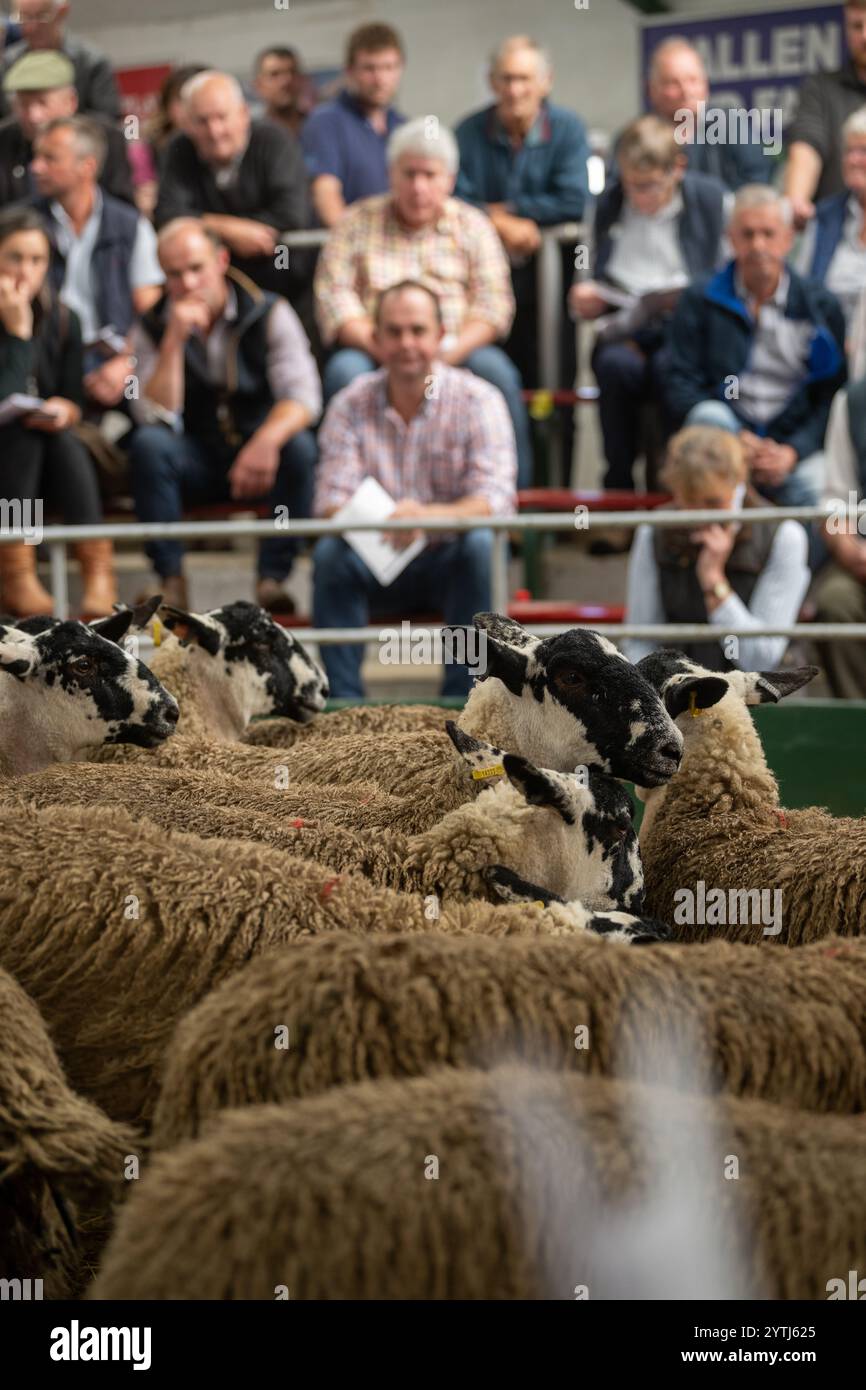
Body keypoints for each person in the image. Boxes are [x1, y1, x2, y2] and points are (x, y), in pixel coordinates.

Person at [312, 281, 516, 698]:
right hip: (377, 559)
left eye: (418, 330)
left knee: (479, 545)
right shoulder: (349, 403)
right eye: (394, 331)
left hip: (449, 562)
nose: (407, 343)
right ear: (376, 338)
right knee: (331, 553)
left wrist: (423, 518)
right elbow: (330, 502)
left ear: (441, 336)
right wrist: (388, 522)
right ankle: (344, 708)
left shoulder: (480, 399)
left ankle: (465, 699)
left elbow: (495, 500)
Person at [315, 118, 532, 488]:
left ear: (449, 179)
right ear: (390, 175)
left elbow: (494, 306)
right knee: (343, 373)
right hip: (374, 348)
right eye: (409, 174)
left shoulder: (474, 225)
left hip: (455, 349)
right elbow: (333, 298)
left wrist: (440, 354)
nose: (418, 187)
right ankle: (347, 504)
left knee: (497, 373)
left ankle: (512, 510)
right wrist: (390, 348)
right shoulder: (355, 223)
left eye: (430, 175)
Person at [128, 218, 321, 613]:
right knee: (149, 445)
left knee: (299, 447)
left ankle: (272, 580)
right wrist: (173, 342)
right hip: (196, 458)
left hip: (258, 455)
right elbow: (153, 415)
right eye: (174, 274)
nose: (187, 283)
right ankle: (171, 580)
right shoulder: (151, 326)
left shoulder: (269, 311)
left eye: (196, 268)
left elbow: (303, 397)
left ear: (221, 260)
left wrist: (265, 441)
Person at [454, 32, 589, 473]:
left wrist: (501, 213)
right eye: (506, 79)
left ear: (545, 81)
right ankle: (506, 501)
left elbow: (573, 200)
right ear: (492, 82)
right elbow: (453, 199)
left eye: (525, 79)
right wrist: (505, 223)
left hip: (552, 293)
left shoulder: (568, 129)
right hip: (481, 294)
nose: (515, 90)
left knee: (554, 392)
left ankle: (557, 503)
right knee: (494, 391)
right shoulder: (467, 133)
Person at [570, 115, 726, 491]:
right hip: (622, 324)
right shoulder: (607, 205)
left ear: (678, 169)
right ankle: (618, 491)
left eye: (651, 186)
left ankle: (670, 492)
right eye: (632, 185)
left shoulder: (711, 201)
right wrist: (585, 295)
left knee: (671, 374)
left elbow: (726, 278)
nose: (640, 197)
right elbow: (584, 270)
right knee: (614, 369)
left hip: (685, 327)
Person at [664, 185, 846, 507]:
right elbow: (680, 382)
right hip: (726, 437)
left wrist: (792, 451)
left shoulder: (819, 306)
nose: (758, 245)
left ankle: (779, 556)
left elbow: (830, 397)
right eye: (747, 234)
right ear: (730, 239)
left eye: (768, 233)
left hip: (790, 447)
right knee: (708, 415)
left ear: (788, 239)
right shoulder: (701, 298)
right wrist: (738, 442)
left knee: (823, 499)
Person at [0, 206, 116, 617]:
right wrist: (17, 334)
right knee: (23, 436)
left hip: (47, 457)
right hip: (9, 457)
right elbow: (7, 396)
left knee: (61, 438)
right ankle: (16, 570)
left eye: (37, 260)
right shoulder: (16, 319)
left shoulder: (66, 318)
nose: (25, 271)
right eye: (14, 257)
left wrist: (66, 408)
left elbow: (73, 396)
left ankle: (98, 575)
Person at [623, 425, 809, 672]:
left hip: (761, 697)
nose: (702, 516)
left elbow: (762, 659)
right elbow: (640, 641)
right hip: (679, 691)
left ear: (738, 483)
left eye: (713, 501)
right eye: (689, 501)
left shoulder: (785, 536)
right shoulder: (653, 530)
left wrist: (714, 582)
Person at [30, 116, 163, 411]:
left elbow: (151, 311)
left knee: (150, 422)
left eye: (49, 158)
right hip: (46, 360)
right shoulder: (26, 226)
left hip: (116, 359)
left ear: (86, 167)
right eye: (36, 156)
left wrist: (126, 361)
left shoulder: (130, 225)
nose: (35, 167)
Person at [154, 70, 311, 309]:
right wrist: (229, 230)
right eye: (202, 121)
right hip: (215, 291)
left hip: (285, 279)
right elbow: (167, 214)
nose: (214, 131)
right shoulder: (180, 148)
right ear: (187, 123)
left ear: (243, 114)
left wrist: (204, 225)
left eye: (221, 117)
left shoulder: (274, 140)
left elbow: (290, 215)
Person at [626, 36, 771, 191]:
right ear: (651, 89)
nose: (686, 91)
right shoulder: (634, 137)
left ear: (705, 83)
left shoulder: (730, 124)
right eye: (673, 83)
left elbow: (757, 181)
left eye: (693, 80)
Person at [301, 22, 405, 228]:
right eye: (370, 68)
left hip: (397, 250)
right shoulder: (325, 122)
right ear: (350, 71)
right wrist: (356, 247)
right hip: (351, 250)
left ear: (400, 69)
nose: (380, 79)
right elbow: (326, 196)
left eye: (388, 67)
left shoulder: (403, 127)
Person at [0, 50, 133, 205]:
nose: (33, 116)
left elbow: (122, 204)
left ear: (71, 101)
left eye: (43, 103)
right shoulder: (4, 142)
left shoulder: (104, 137)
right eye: (23, 104)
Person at [785, 0, 866, 225]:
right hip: (838, 228)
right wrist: (796, 201)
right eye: (857, 26)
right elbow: (807, 146)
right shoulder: (821, 88)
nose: (865, 36)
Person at [813, 380, 866, 696]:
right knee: (835, 601)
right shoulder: (854, 400)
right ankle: (859, 726)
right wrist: (849, 549)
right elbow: (834, 500)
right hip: (861, 559)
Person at [792, 106, 866, 329]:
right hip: (831, 346)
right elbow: (803, 289)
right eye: (848, 151)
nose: (853, 160)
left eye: (863, 150)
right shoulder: (826, 216)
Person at [0, 0, 120, 122]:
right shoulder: (8, 63)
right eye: (24, 17)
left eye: (41, 17)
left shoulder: (92, 63)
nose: (32, 27)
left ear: (62, 12)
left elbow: (108, 124)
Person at [254, 46, 309, 140]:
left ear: (302, 79)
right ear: (258, 85)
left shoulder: (318, 129)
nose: (286, 81)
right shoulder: (252, 137)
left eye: (292, 72)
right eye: (274, 74)